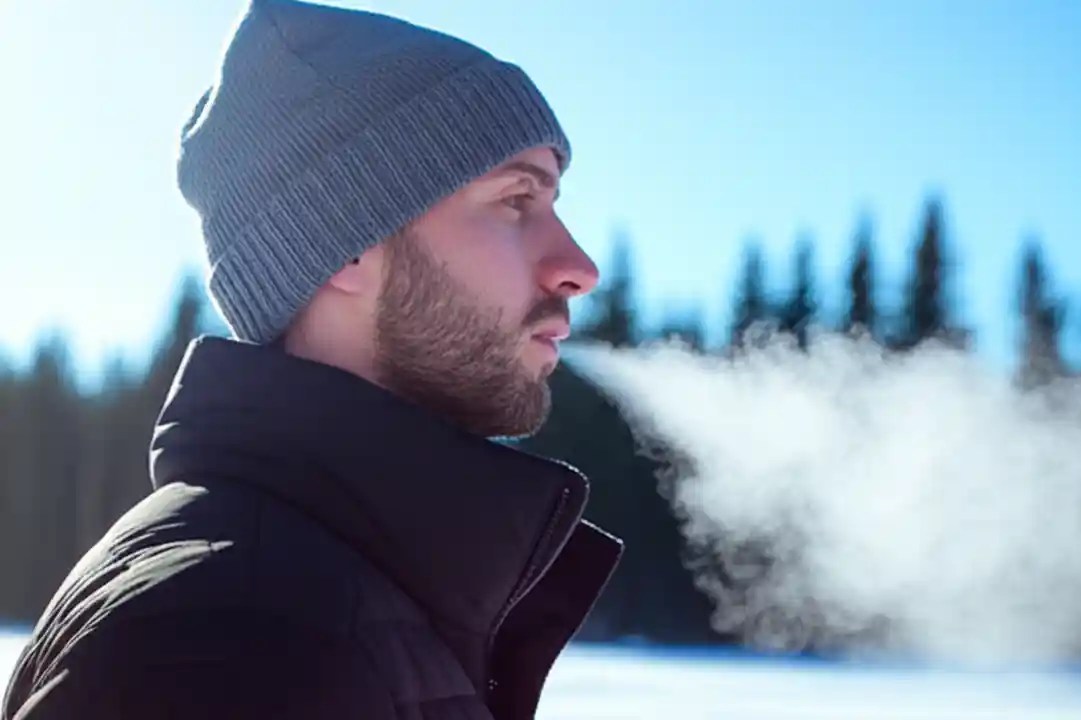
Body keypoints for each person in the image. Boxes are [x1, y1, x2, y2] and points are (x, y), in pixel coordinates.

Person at [1, 1, 622, 718]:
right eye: (517, 200)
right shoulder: (223, 637)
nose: (578, 267)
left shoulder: (321, 600)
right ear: (349, 244)